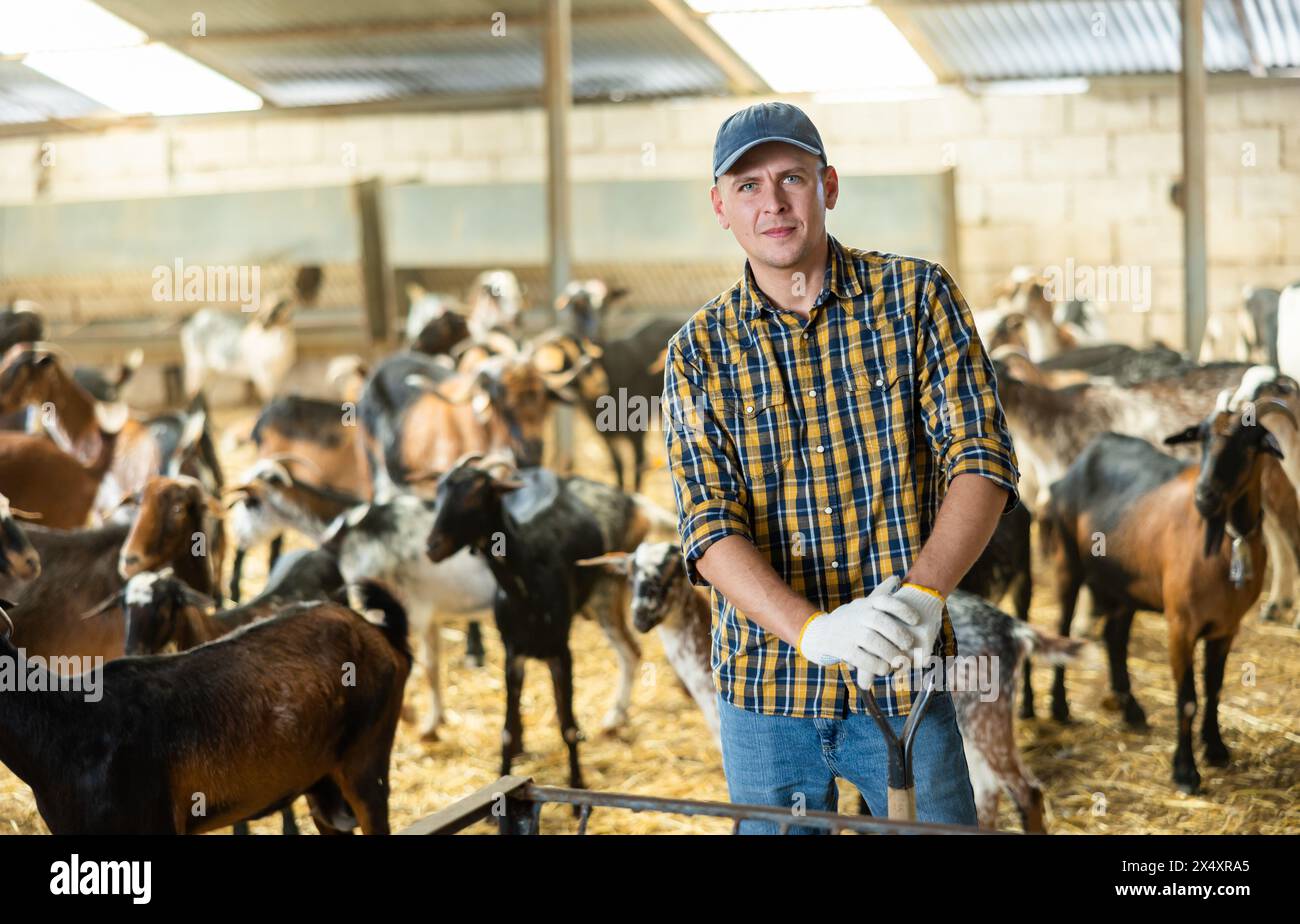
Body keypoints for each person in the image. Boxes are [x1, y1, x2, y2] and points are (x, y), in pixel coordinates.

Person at [662, 101, 1021, 833]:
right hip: (765, 693)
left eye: (791, 178)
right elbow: (707, 526)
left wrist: (923, 597)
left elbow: (980, 460)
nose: (773, 203)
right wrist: (814, 631)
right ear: (719, 207)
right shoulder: (697, 351)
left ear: (827, 185)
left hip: (902, 675)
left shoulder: (919, 298)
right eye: (748, 186)